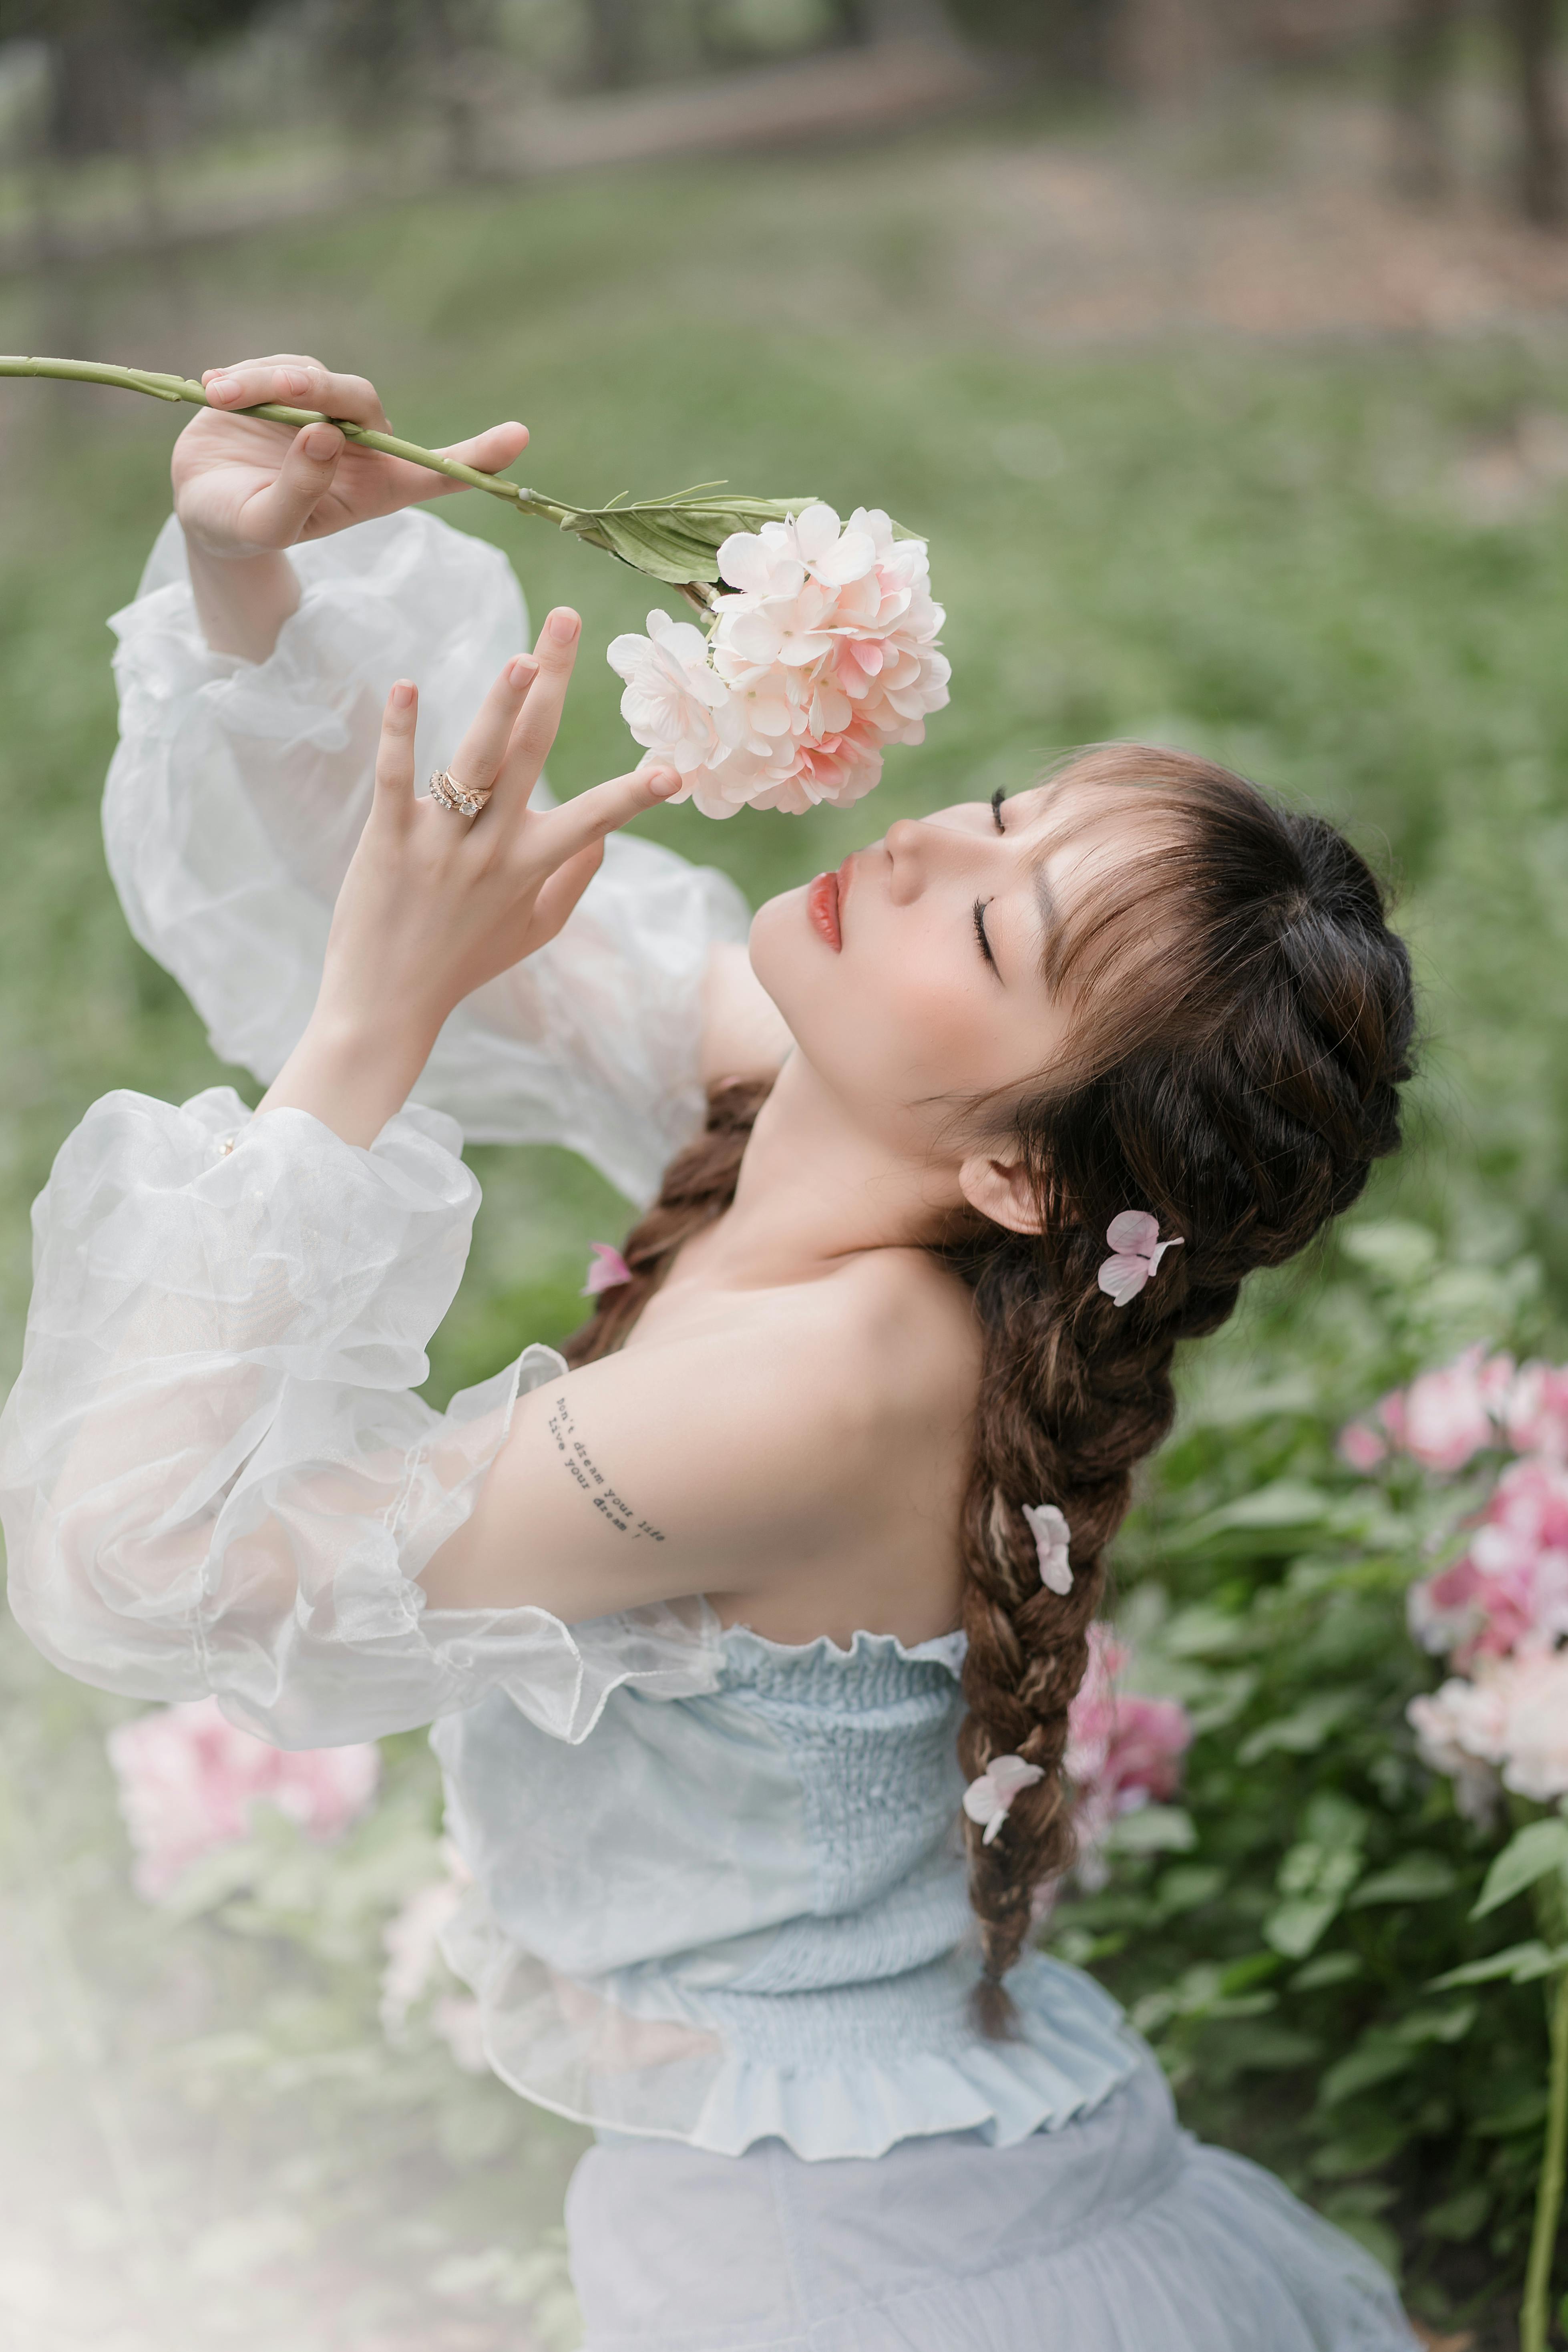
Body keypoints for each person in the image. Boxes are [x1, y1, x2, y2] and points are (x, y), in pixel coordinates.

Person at [0, 356, 1422, 2350]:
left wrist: (354, 1052)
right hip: (891, 2166)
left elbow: (141, 1559)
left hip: (832, 2251)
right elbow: (464, 916)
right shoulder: (859, 1128)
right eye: (1005, 812)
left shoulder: (811, 1390)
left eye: (998, 934)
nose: (924, 850)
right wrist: (261, 588)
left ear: (1022, 1165)